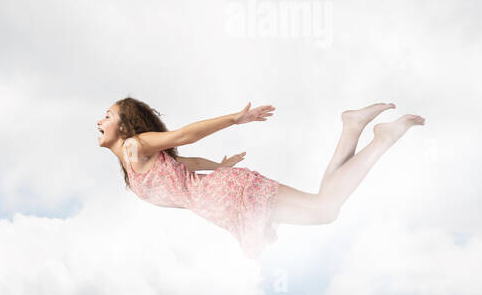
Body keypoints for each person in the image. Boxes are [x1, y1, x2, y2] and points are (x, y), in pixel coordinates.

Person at [97, 98, 424, 256]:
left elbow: (183, 137)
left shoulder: (133, 146)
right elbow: (187, 164)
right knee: (324, 209)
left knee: (325, 210)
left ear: (125, 126)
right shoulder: (135, 165)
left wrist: (235, 119)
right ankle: (353, 127)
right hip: (222, 200)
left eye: (108, 116)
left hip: (228, 197)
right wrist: (220, 165)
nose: (100, 121)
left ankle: (381, 138)